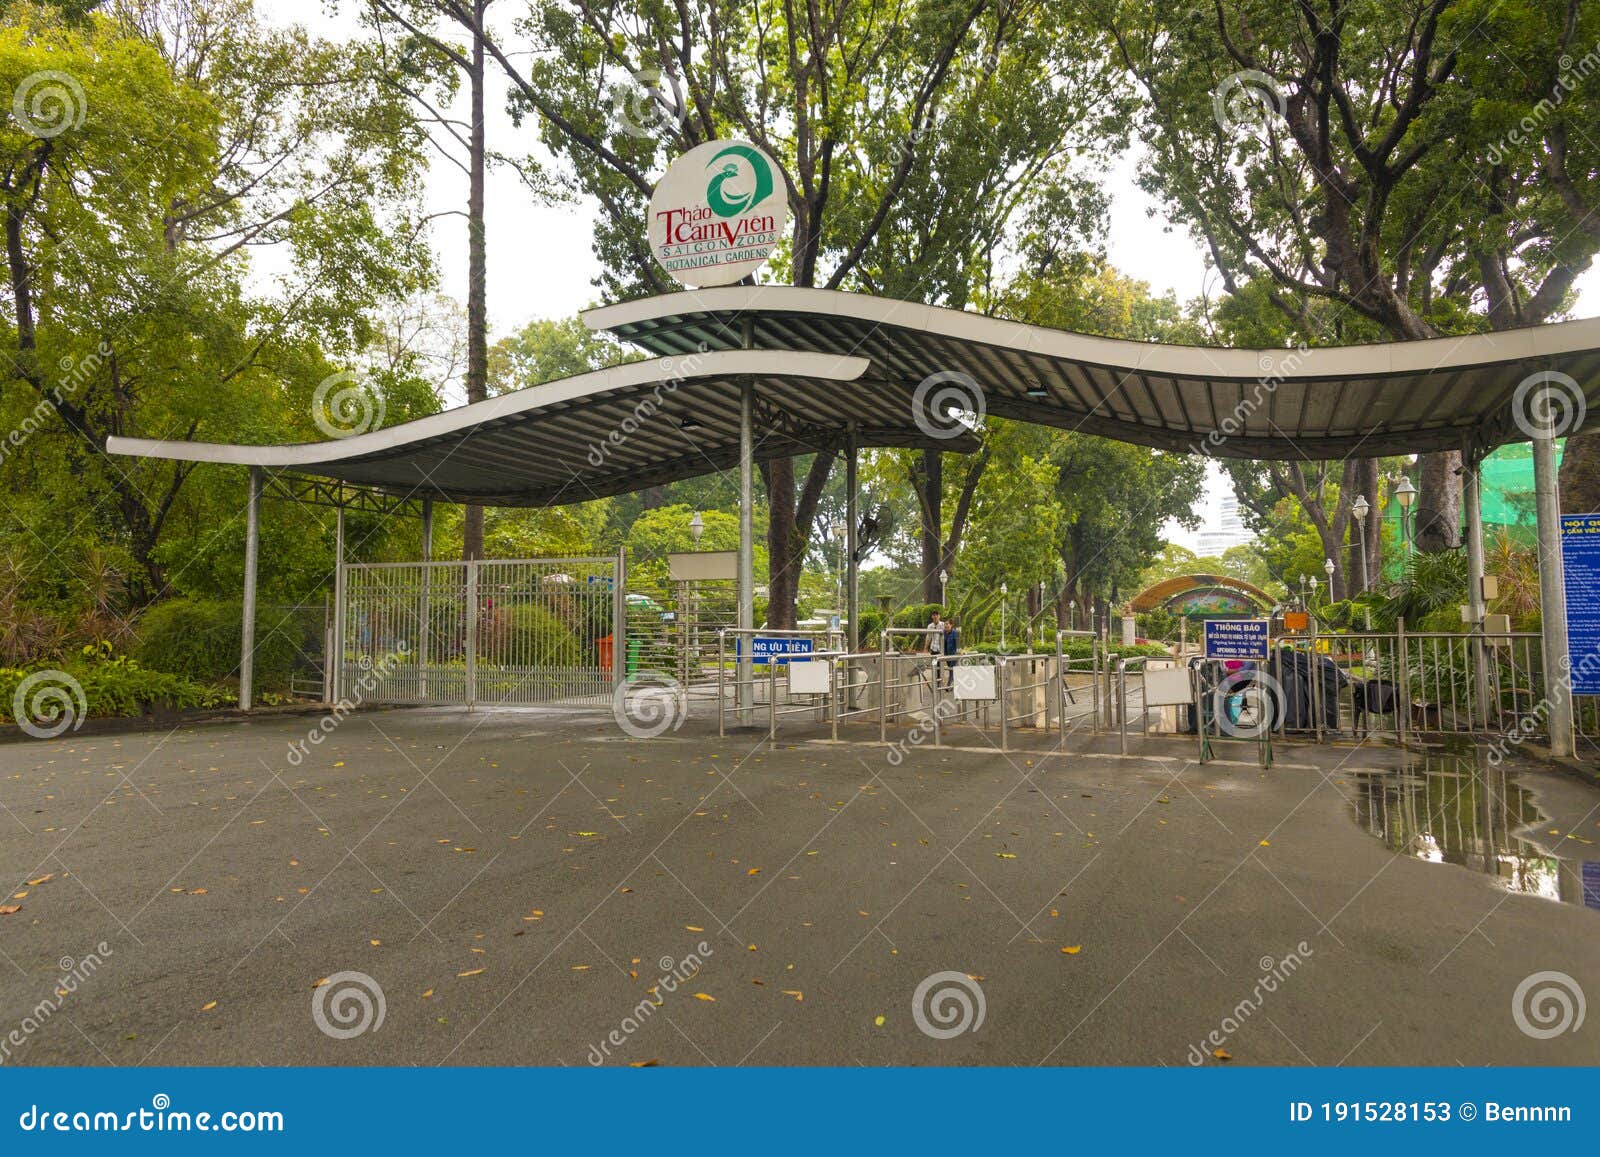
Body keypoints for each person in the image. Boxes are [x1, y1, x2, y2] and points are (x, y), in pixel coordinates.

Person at [942, 615, 960, 690]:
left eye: (947, 624)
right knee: (951, 670)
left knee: (952, 669)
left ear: (951, 625)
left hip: (954, 655)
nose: (945, 626)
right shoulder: (943, 633)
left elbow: (957, 644)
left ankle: (949, 685)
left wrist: (958, 653)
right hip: (947, 655)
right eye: (945, 624)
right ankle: (955, 685)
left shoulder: (955, 633)